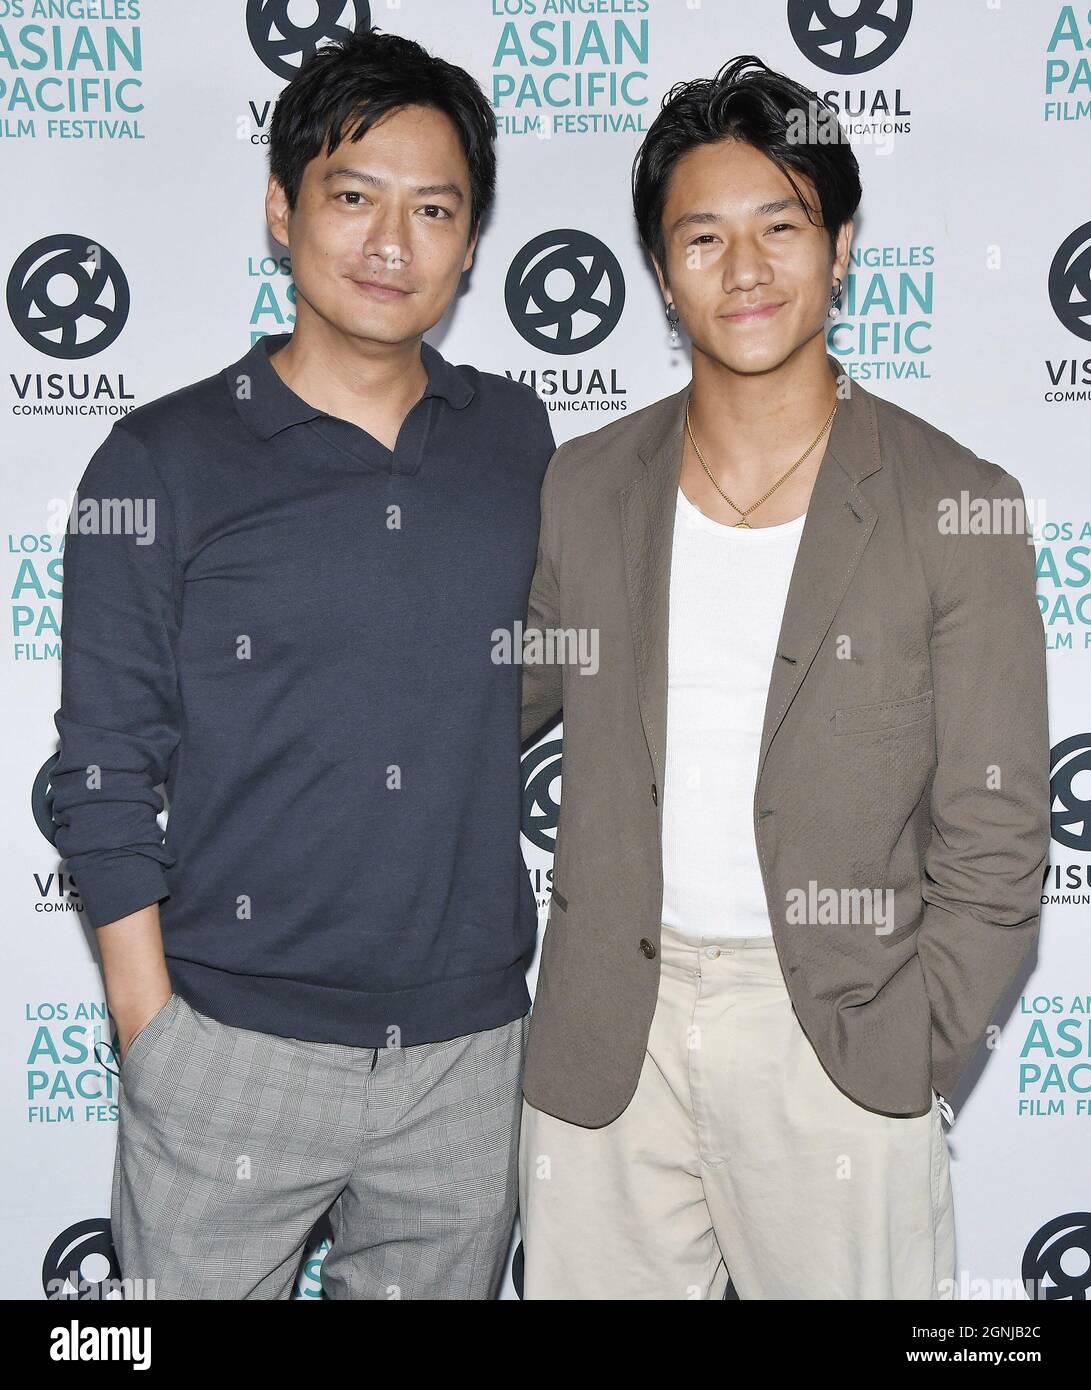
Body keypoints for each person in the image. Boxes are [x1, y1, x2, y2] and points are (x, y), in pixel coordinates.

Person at [517, 55, 1049, 1299]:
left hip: (838, 1036)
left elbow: (996, 828)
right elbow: (481, 706)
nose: (742, 267)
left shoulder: (956, 503)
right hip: (607, 1039)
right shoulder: (583, 486)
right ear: (658, 270)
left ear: (841, 243)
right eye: (700, 235)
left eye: (780, 225)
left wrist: (910, 1054)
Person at [52, 28, 554, 1300]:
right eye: (351, 196)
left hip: (468, 1051)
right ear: (281, 210)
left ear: (470, 240)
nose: (391, 243)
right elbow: (104, 766)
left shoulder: (517, 439)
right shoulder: (159, 460)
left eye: (432, 208)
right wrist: (150, 1030)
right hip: (225, 1043)